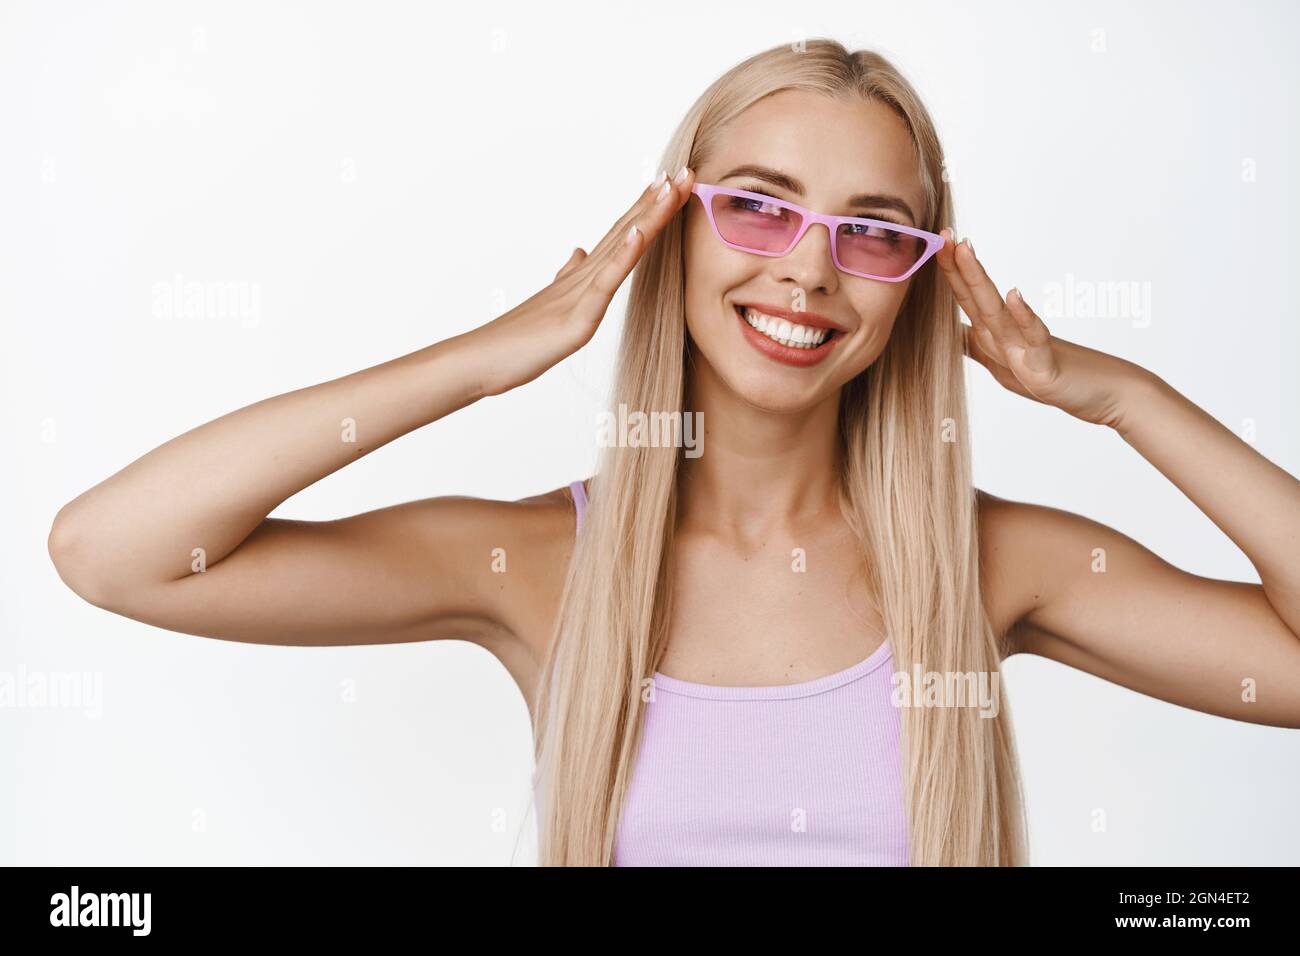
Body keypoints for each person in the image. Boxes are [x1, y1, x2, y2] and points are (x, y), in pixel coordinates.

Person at [47, 39, 1300, 867]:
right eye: (758, 202)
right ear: (672, 228)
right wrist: (488, 355)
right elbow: (117, 553)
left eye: (873, 231)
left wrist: (1121, 395)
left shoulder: (992, 562)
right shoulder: (535, 563)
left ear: (916, 282)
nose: (807, 267)